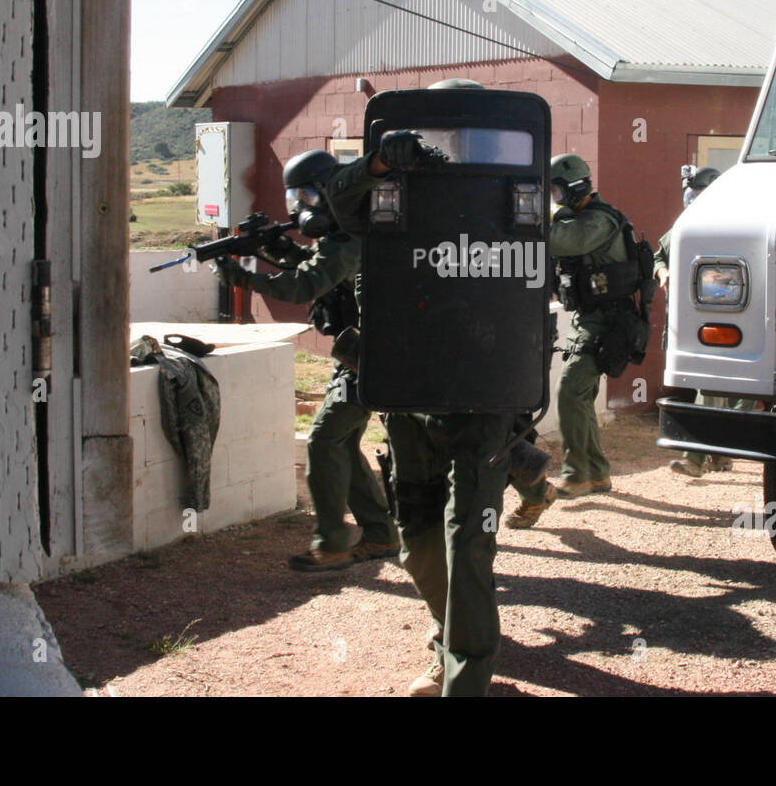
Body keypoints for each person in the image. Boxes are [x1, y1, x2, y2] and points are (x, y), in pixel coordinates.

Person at [324, 80, 544, 696]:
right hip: (408, 397)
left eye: (474, 139)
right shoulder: (385, 198)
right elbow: (337, 203)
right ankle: (446, 644)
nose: (457, 150)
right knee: (420, 549)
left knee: (468, 542)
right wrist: (377, 161)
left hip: (482, 403)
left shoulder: (509, 200)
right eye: (445, 139)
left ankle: (465, 681)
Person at [212, 150, 399, 572]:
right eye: (296, 197)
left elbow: (306, 286)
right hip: (358, 351)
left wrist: (245, 278)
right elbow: (323, 274)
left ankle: (332, 542)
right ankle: (380, 535)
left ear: (332, 193)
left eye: (308, 197)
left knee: (324, 438)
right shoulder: (343, 235)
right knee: (342, 441)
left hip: (374, 353)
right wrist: (282, 251)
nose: (301, 208)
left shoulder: (353, 235)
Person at [544, 153, 648, 499]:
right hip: (590, 317)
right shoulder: (585, 217)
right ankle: (596, 474)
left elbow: (558, 240)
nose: (555, 200)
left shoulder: (597, 222)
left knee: (570, 391)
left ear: (575, 188)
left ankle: (577, 474)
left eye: (557, 193)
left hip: (608, 321)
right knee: (582, 396)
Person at [654, 165, 750, 477]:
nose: (692, 198)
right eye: (690, 192)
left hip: (736, 327)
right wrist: (663, 273)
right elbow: (660, 253)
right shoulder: (687, 225)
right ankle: (719, 454)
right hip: (702, 327)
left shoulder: (738, 227)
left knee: (730, 394)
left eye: (698, 192)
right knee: (712, 388)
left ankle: (695, 457)